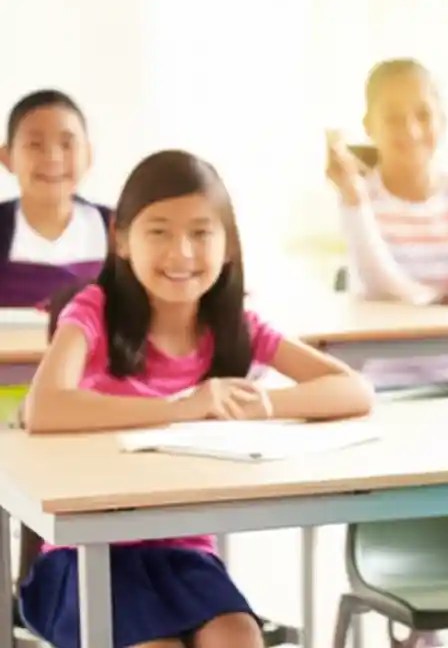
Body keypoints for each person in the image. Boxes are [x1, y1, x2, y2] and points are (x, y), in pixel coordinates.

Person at [20, 150, 373, 647]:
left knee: (239, 638)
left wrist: (265, 406)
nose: (181, 253)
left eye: (202, 233)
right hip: (86, 553)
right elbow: (45, 407)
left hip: (183, 553)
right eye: (159, 231)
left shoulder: (233, 328)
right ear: (121, 238)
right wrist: (179, 409)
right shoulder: (95, 312)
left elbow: (353, 389)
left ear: (228, 245)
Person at [324, 58, 448, 391]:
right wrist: (355, 202)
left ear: (442, 119)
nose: (411, 130)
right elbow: (381, 289)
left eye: (423, 115)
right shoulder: (359, 198)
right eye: (394, 118)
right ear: (369, 125)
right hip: (382, 381)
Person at [0, 89, 110, 306]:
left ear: (88, 155)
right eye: (35, 145)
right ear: (7, 157)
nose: (52, 157)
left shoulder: (119, 230)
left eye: (67, 144)